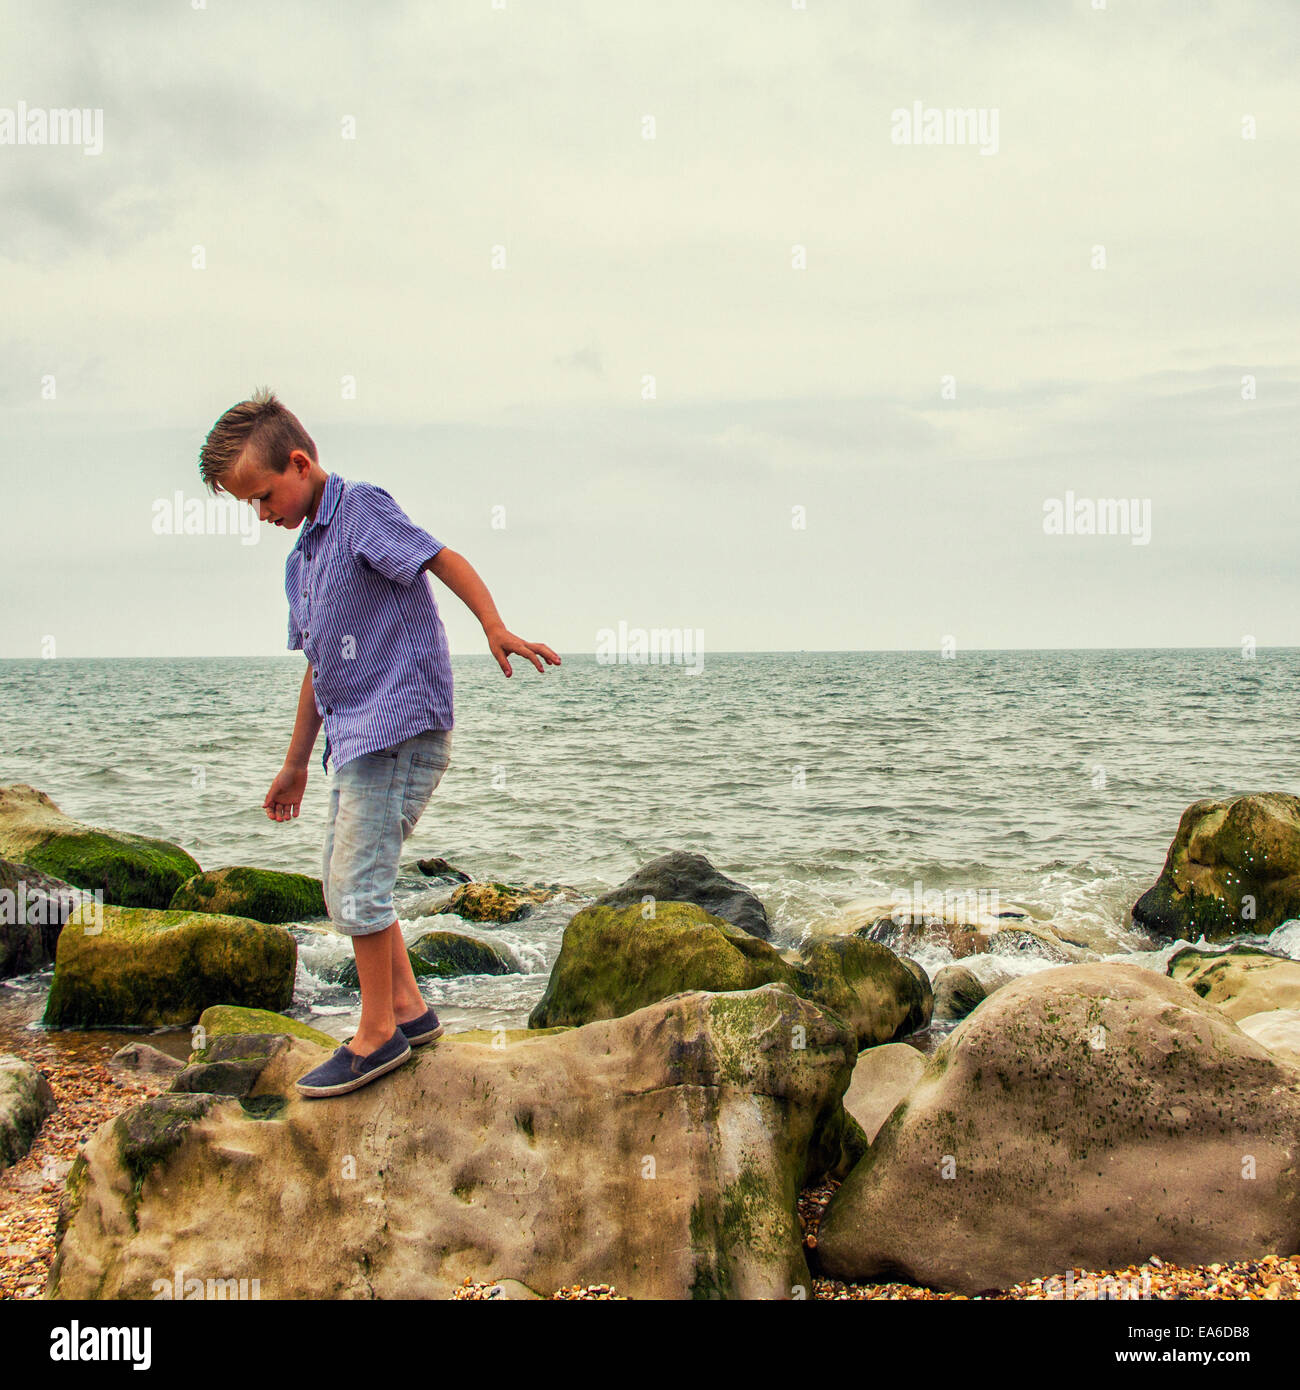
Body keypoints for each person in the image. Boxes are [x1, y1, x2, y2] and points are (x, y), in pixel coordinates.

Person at [198, 388, 559, 1097]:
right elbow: (317, 665)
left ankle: (376, 1039)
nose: (261, 514)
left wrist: (492, 624)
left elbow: (441, 557)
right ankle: (408, 1011)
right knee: (342, 883)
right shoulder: (302, 562)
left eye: (264, 496)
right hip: (355, 738)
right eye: (249, 506)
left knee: (359, 885)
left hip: (403, 724)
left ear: (301, 463)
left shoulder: (359, 508)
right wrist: (295, 762)